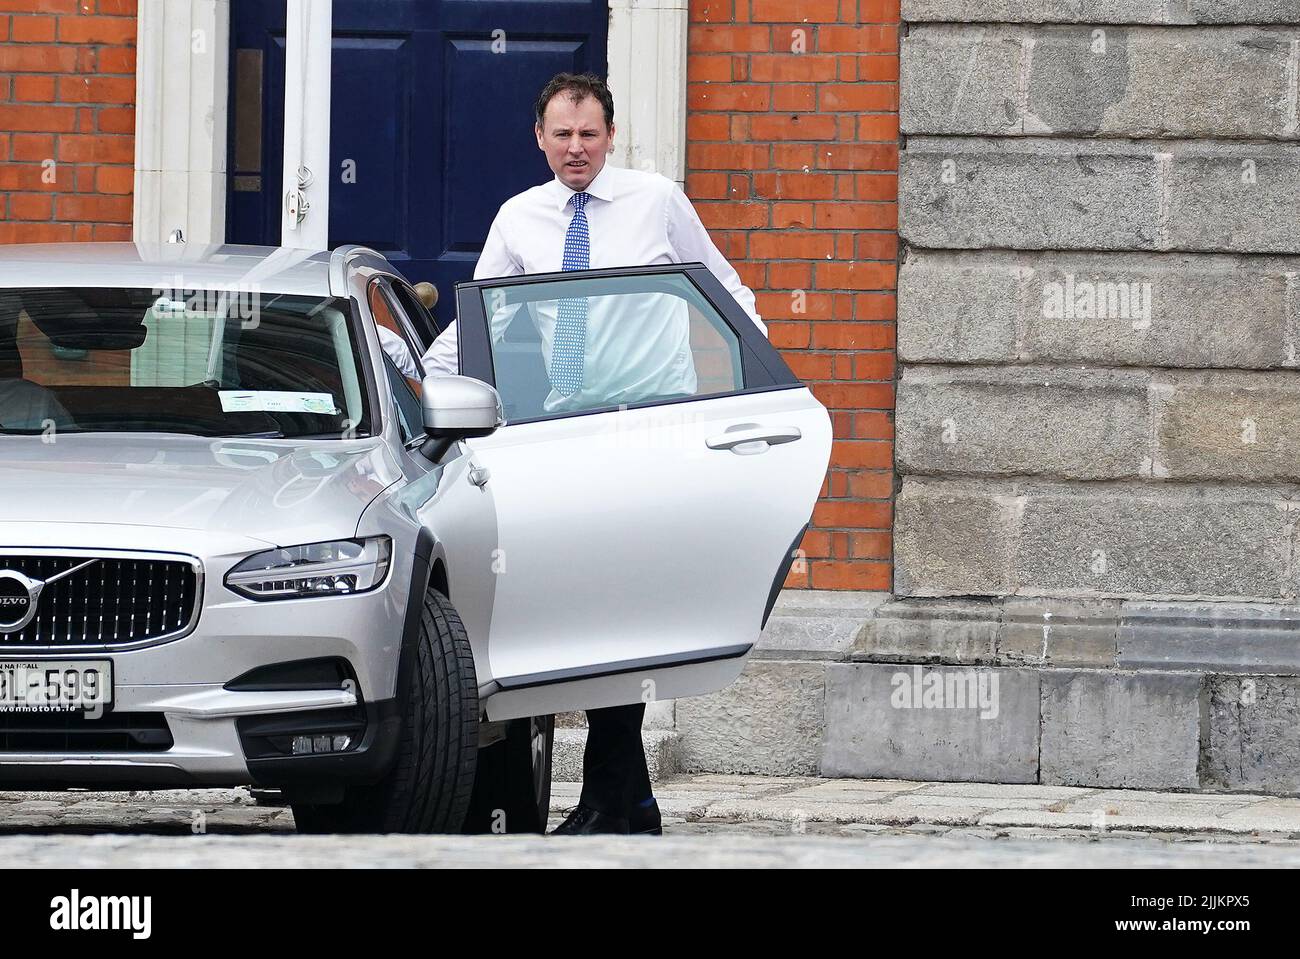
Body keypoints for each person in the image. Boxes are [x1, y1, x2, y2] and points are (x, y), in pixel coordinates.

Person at [422, 72, 764, 836]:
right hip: (561, 435)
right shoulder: (520, 217)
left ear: (611, 137)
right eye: (561, 133)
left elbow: (726, 291)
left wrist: (756, 384)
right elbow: (478, 320)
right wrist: (419, 384)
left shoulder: (656, 201)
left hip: (646, 431)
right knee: (588, 607)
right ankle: (625, 800)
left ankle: (619, 799)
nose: (576, 148)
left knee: (624, 607)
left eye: (589, 133)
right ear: (538, 138)